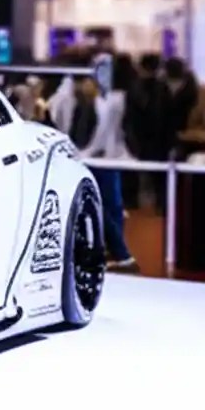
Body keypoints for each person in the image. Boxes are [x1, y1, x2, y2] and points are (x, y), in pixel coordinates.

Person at [49, 65, 139, 272]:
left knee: (111, 207)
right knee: (100, 208)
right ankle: (118, 253)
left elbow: (106, 134)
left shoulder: (107, 102)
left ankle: (118, 253)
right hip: (88, 161)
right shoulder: (71, 100)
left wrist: (85, 153)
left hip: (104, 159)